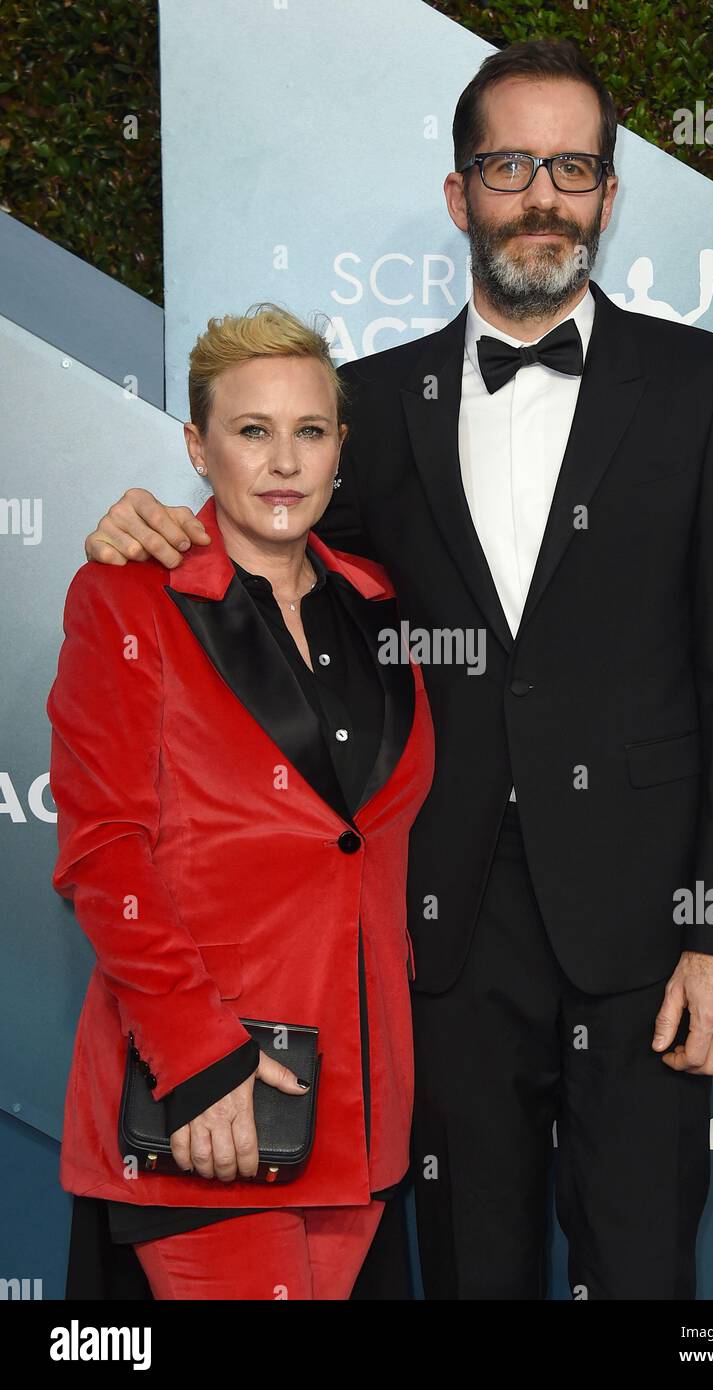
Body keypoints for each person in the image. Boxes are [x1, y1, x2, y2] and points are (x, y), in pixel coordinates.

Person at [80, 38, 713, 1300]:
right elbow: (263, 545)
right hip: (439, 943)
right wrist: (154, 527)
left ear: (610, 197)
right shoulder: (367, 403)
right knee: (472, 1273)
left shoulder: (706, 387)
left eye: (573, 166)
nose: (542, 194)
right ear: (461, 194)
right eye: (509, 163)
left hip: (648, 946)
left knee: (644, 1277)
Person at [47, 304, 434, 1300]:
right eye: (251, 431)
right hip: (207, 1114)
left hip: (362, 1123)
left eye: (309, 431)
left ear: (340, 447)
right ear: (197, 444)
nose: (283, 461)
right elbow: (105, 856)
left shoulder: (382, 606)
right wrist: (204, 1065)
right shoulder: (129, 599)